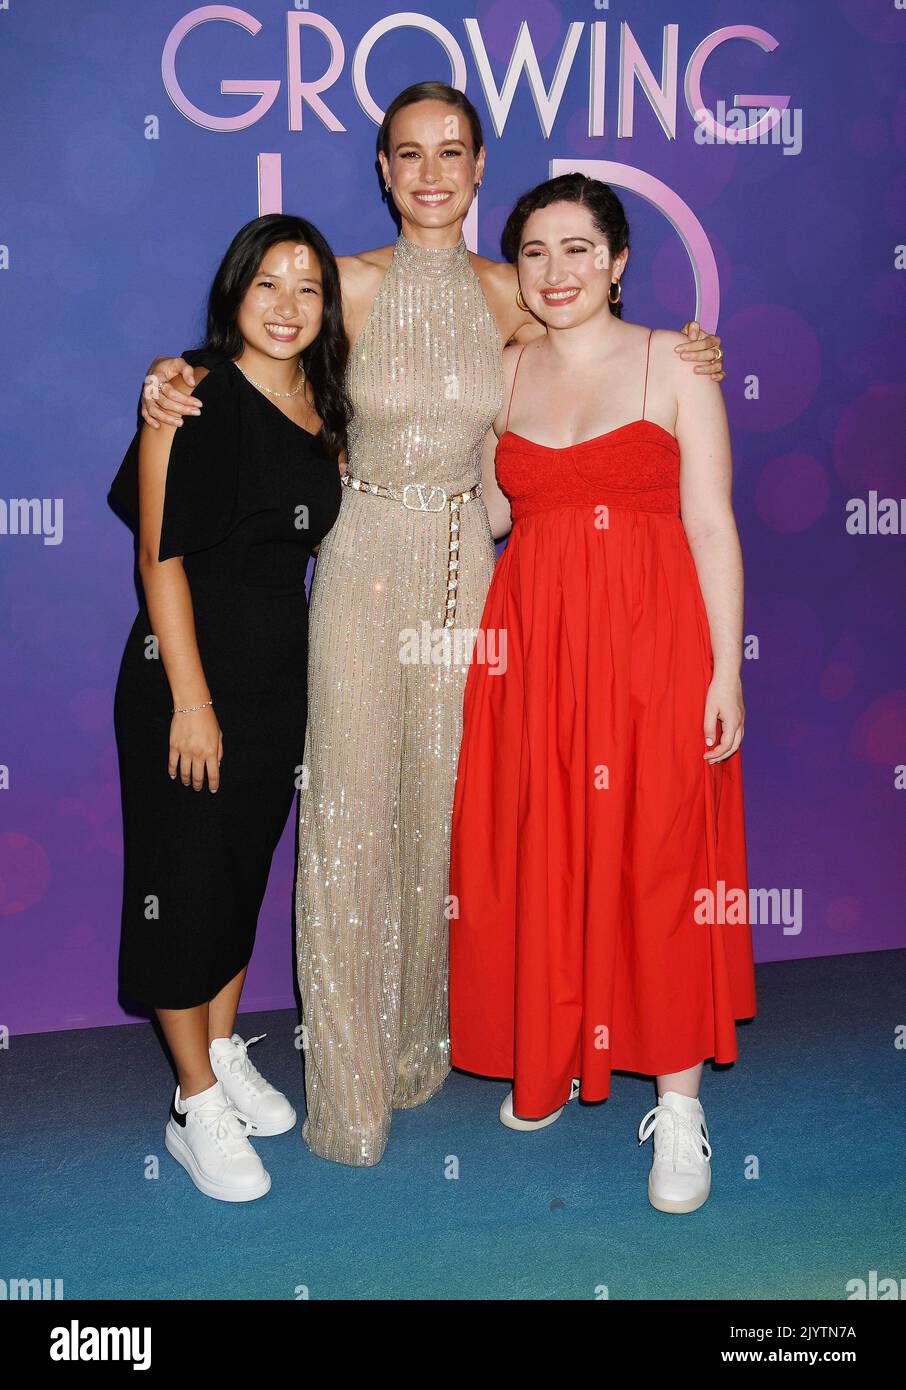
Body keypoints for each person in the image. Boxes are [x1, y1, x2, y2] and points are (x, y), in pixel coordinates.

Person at [135, 84, 726, 1167]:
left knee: (451, 817)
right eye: (409, 154)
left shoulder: (515, 294)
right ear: (382, 168)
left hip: (475, 575)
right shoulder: (345, 286)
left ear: (479, 162)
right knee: (354, 818)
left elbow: (581, 371)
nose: (432, 173)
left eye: (452, 151)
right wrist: (177, 380)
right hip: (364, 568)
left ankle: (423, 1045)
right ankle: (352, 1079)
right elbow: (262, 365)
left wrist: (690, 353)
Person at [448, 174, 756, 1214]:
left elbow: (711, 520)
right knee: (547, 850)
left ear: (618, 261)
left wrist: (725, 667)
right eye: (535, 252)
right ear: (517, 270)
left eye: (579, 249)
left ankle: (678, 1103)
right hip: (533, 652)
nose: (558, 271)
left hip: (655, 647)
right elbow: (491, 510)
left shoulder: (675, 359)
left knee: (662, 858)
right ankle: (555, 1045)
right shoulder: (505, 371)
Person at [109, 214, 348, 1200]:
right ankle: (192, 1100)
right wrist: (190, 701)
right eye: (268, 285)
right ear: (235, 294)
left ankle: (220, 1045)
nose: (288, 306)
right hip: (186, 674)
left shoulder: (329, 412)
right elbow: (158, 557)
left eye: (308, 288)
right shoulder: (192, 392)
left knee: (240, 875)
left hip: (279, 678)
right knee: (181, 876)